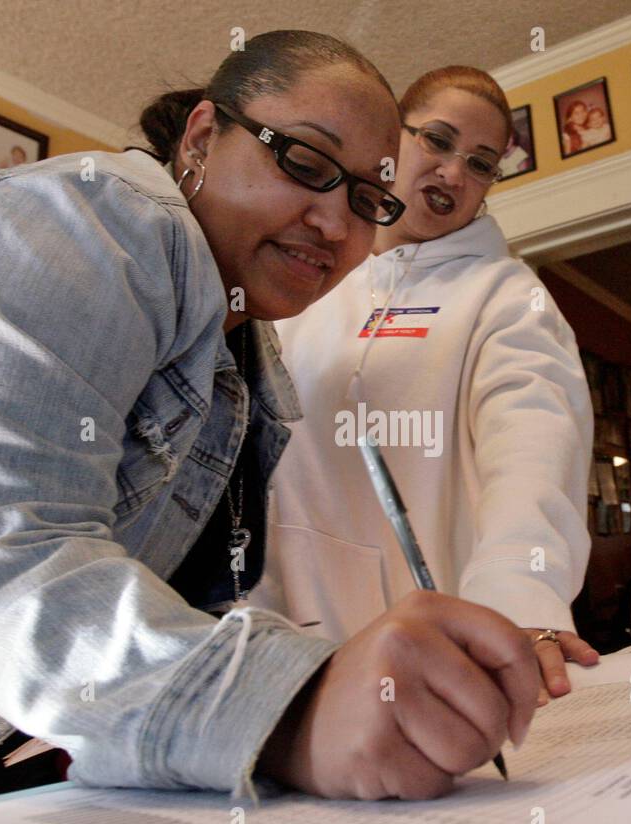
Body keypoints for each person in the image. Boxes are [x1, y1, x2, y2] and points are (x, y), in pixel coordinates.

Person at [0, 32, 540, 824]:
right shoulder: (91, 218)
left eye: (370, 198)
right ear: (200, 139)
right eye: (303, 161)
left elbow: (148, 615)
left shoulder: (251, 385)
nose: (336, 221)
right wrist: (294, 703)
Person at [251, 66, 596, 707]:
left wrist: (518, 593)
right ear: (392, 140)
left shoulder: (506, 295)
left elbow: (533, 449)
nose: (454, 173)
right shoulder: (312, 273)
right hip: (285, 649)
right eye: (437, 141)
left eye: (481, 163)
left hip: (447, 655)